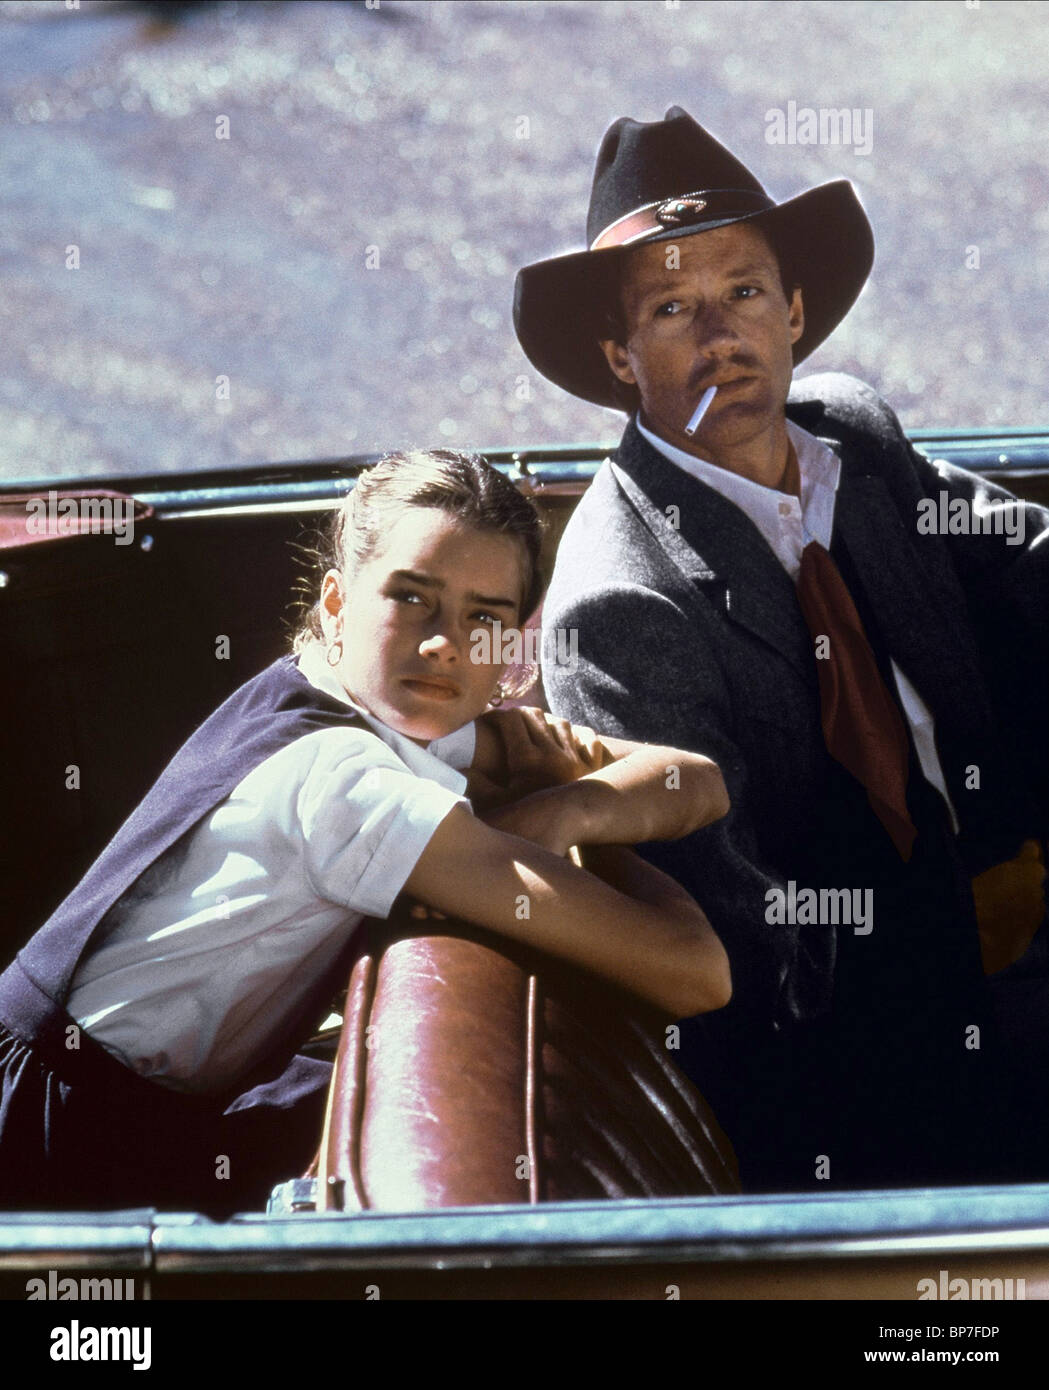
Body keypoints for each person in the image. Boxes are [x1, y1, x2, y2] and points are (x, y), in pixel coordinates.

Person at [515, 107, 1049, 1191]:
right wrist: (971, 925)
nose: (719, 333)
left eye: (743, 292)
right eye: (672, 307)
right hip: (866, 1062)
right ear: (618, 354)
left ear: (794, 311)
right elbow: (741, 938)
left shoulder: (849, 435)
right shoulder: (622, 599)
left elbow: (1021, 563)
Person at [0, 448, 731, 1216]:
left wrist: (567, 810)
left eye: (484, 616)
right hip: (57, 1123)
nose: (445, 643)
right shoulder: (343, 781)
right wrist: (559, 809)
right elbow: (695, 970)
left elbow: (694, 777)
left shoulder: (384, 705)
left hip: (150, 1098)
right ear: (338, 605)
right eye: (411, 598)